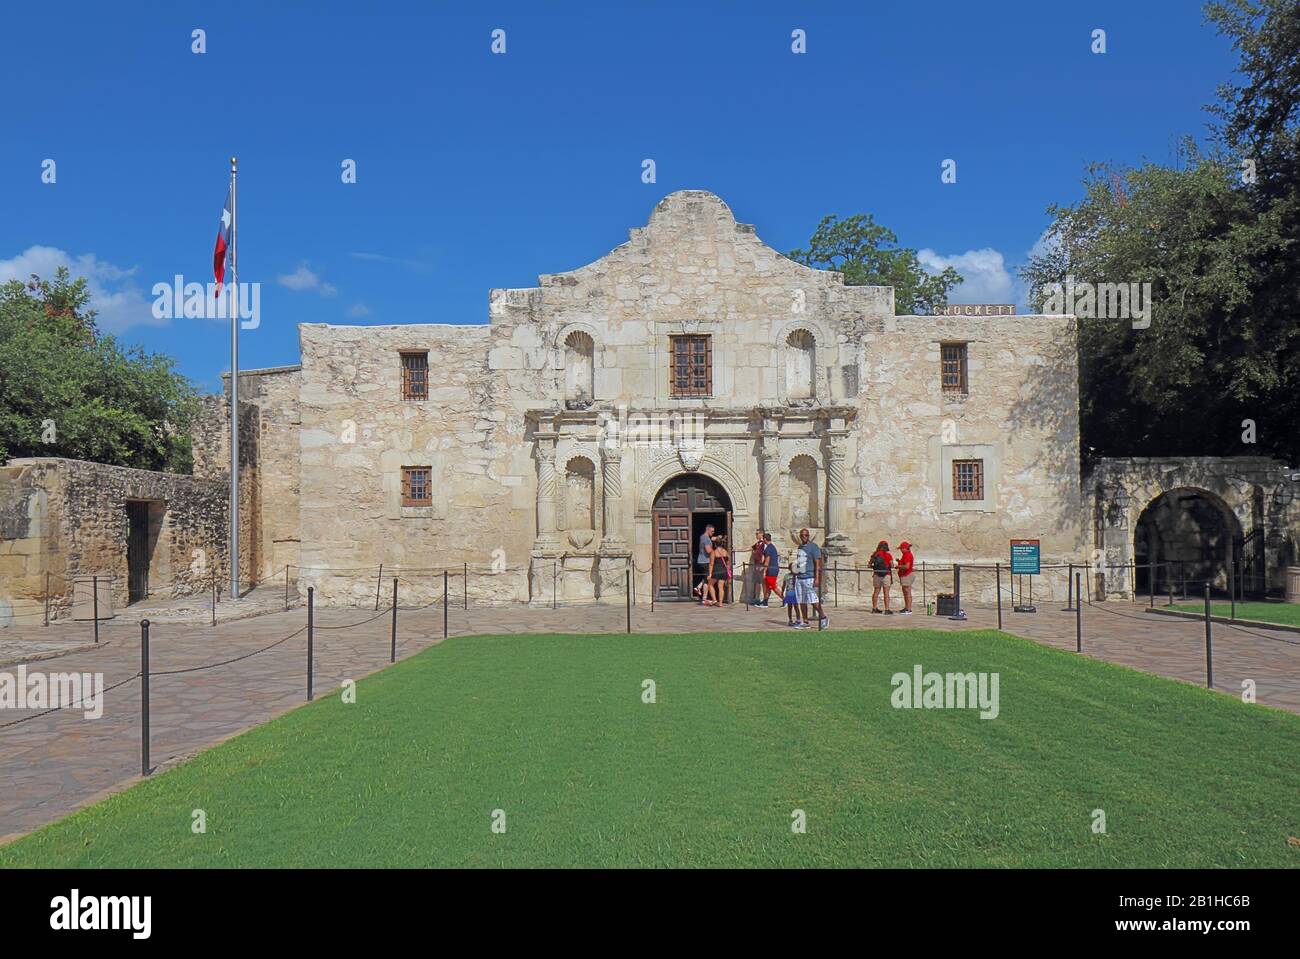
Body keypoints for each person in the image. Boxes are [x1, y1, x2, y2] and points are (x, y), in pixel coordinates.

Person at [794, 528, 829, 630]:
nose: (804, 537)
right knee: (802, 601)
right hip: (800, 577)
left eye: (806, 535)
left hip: (809, 577)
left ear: (808, 536)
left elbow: (817, 563)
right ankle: (805, 621)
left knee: (813, 601)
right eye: (802, 535)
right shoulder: (800, 547)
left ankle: (823, 617)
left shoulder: (813, 547)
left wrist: (817, 578)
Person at [703, 535, 731, 607]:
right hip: (723, 571)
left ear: (715, 544)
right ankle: (721, 603)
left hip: (716, 571)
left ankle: (715, 600)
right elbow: (728, 563)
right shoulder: (725, 551)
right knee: (721, 587)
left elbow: (711, 564)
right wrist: (728, 570)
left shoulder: (714, 552)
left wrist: (709, 574)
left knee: (710, 584)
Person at [869, 540, 894, 614]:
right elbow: (892, 565)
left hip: (877, 574)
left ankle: (874, 608)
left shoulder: (875, 554)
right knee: (886, 592)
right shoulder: (888, 555)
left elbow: (869, 565)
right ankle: (887, 609)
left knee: (876, 591)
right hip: (886, 574)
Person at [692, 524, 715, 601]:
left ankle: (698, 587)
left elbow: (709, 540)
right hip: (705, 561)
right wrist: (716, 552)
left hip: (701, 560)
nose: (713, 532)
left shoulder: (702, 537)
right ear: (707, 530)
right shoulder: (706, 539)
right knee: (707, 579)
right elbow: (708, 550)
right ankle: (704, 598)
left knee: (706, 577)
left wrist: (714, 539)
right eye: (712, 531)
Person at [760, 532, 781, 606]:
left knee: (773, 586)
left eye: (763, 539)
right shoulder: (772, 547)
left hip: (771, 570)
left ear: (765, 539)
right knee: (768, 586)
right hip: (773, 569)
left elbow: (767, 560)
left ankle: (785, 600)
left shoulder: (768, 548)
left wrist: (764, 571)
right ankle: (765, 602)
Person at [896, 540, 916, 614]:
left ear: (905, 548)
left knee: (907, 592)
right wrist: (899, 561)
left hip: (907, 575)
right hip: (905, 575)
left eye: (901, 548)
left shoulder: (907, 555)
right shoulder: (905, 555)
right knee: (905, 592)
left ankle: (908, 609)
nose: (900, 550)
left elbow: (907, 566)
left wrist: (898, 566)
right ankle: (906, 607)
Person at [748, 529, 767, 605]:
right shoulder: (757, 544)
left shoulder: (764, 543)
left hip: (761, 565)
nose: (756, 535)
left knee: (763, 583)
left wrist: (763, 564)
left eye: (757, 533)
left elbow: (765, 553)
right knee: (757, 582)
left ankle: (765, 600)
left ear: (761, 534)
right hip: (757, 565)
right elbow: (751, 548)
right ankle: (757, 598)